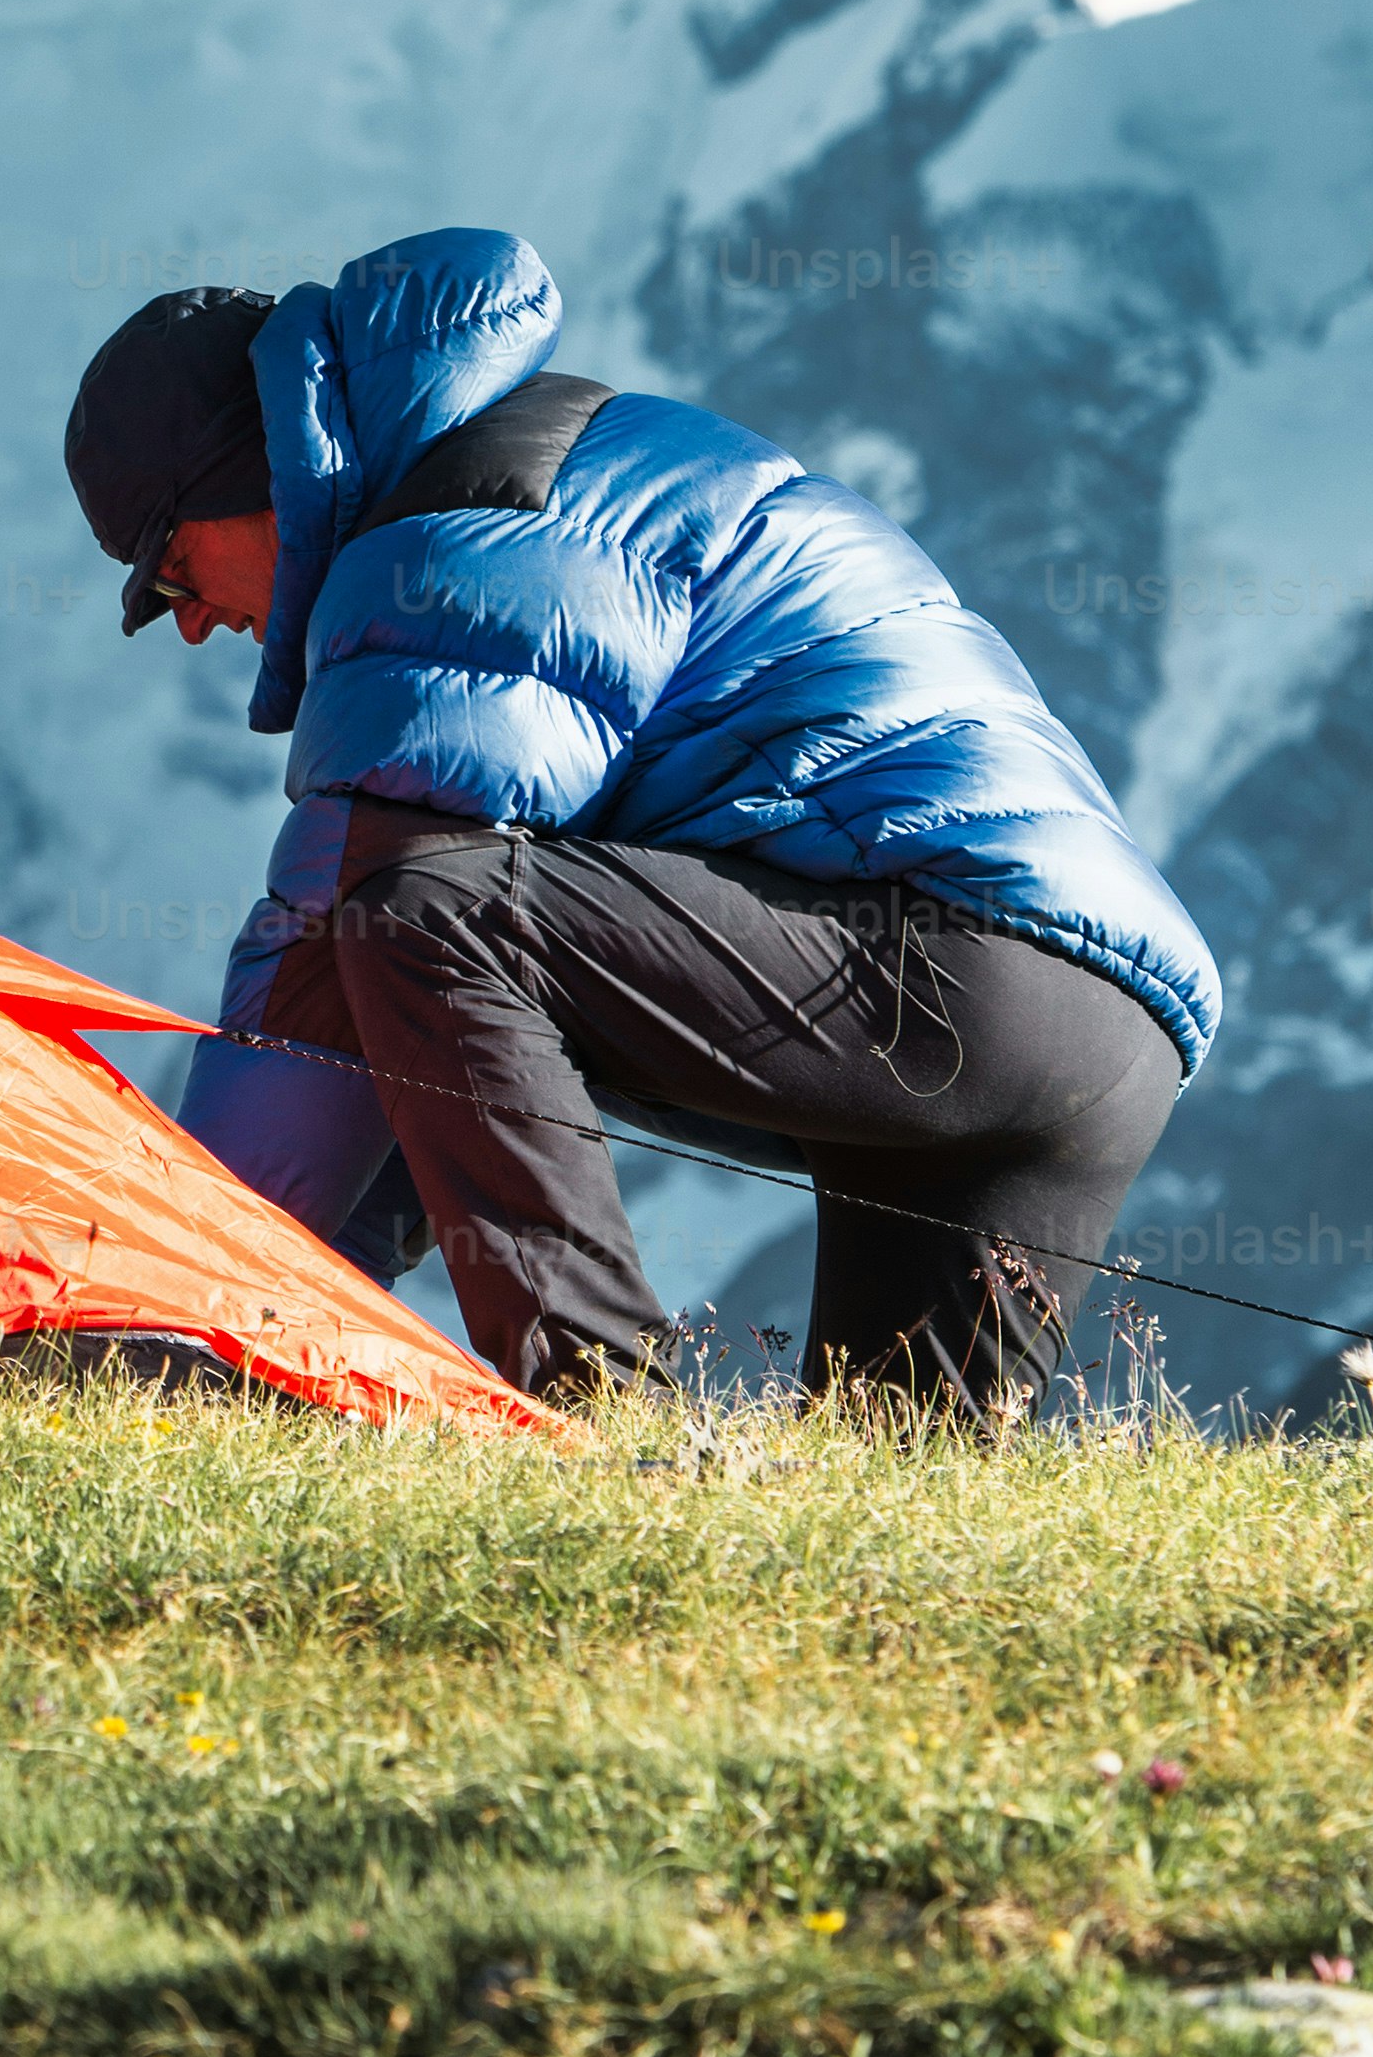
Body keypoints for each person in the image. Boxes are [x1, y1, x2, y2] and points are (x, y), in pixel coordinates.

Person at [63, 225, 1218, 1417]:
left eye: (168, 572)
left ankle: (600, 1409)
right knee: (875, 1535)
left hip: (949, 972)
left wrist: (195, 1299)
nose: (188, 622)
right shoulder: (567, 454)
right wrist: (286, 1297)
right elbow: (424, 1047)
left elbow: (343, 933)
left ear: (242, 479)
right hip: (1096, 1035)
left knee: (415, 902)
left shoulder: (461, 524)